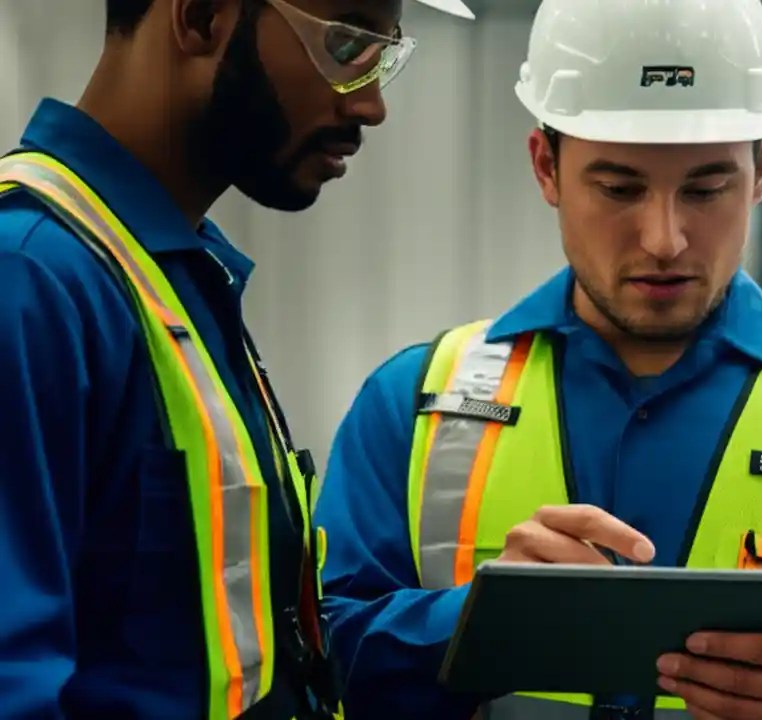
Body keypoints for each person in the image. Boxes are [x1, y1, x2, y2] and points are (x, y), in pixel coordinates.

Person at [314, 0, 762, 717]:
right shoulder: (411, 406)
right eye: (619, 189)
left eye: (706, 189)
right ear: (546, 168)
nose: (664, 240)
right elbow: (314, 658)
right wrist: (463, 624)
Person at [0, 0, 473, 717]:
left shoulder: (166, 275)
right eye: (346, 44)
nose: (371, 105)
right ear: (199, 17)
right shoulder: (29, 277)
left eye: (385, 56)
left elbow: (260, 647)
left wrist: (491, 620)